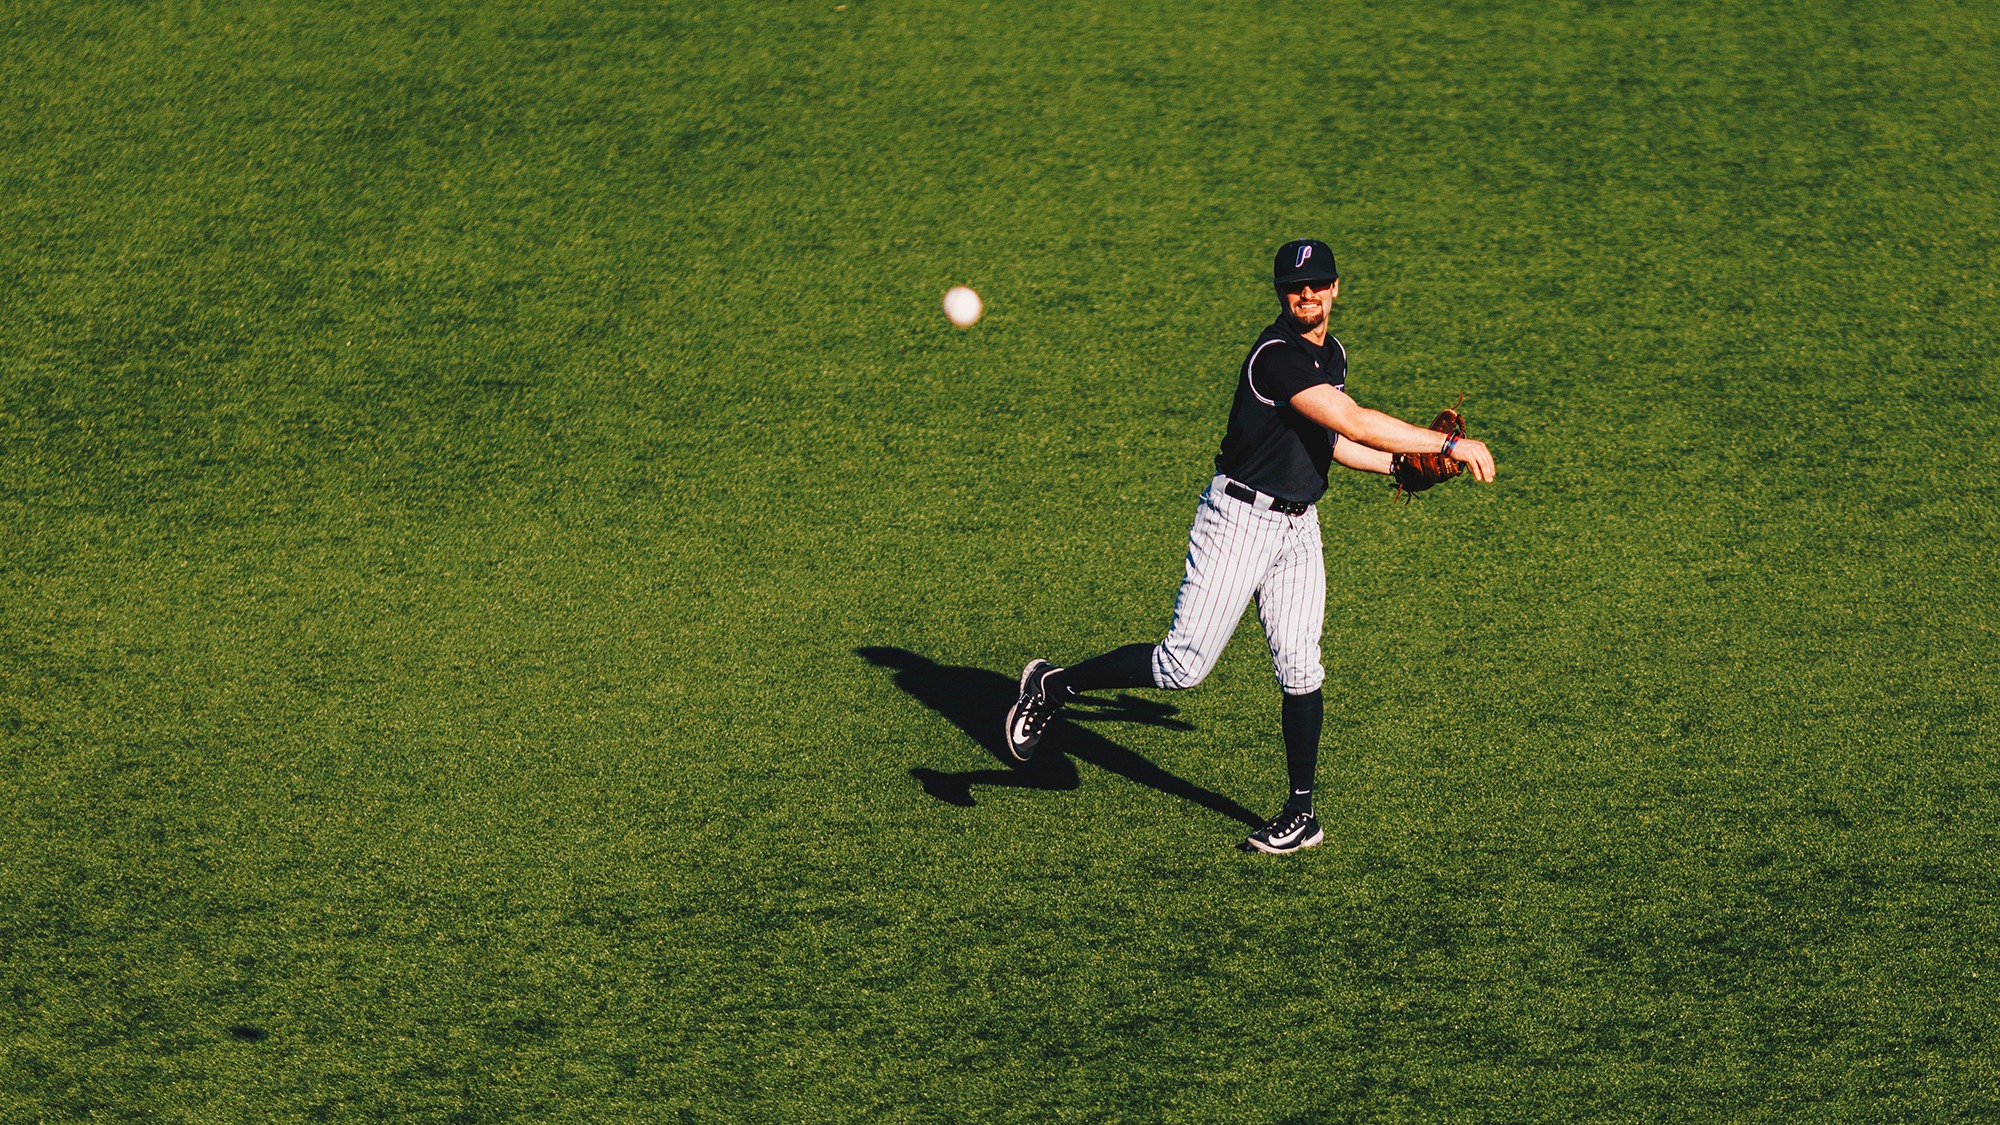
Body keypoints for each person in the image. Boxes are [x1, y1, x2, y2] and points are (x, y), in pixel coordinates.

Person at [1004, 238, 1495, 854]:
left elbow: (1333, 442)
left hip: (1298, 528)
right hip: (1238, 521)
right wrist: (1447, 445)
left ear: (1335, 288)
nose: (1306, 294)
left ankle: (1300, 813)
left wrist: (1395, 465)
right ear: (1281, 294)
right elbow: (1352, 420)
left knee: (1302, 666)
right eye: (1294, 287)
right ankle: (1053, 686)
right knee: (1182, 666)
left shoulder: (1332, 355)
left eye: (1316, 284)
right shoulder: (1275, 357)